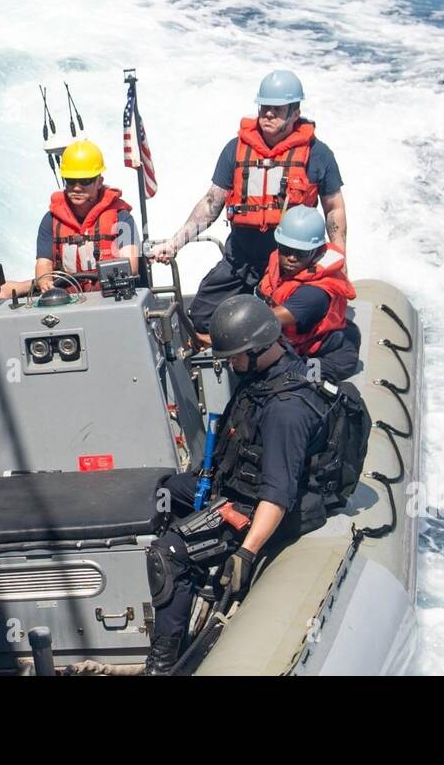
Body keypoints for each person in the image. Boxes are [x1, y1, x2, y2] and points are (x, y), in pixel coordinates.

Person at [141, 295, 334, 675]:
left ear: (260, 348)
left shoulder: (285, 409)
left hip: (256, 510)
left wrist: (245, 555)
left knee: (167, 555)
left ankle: (163, 663)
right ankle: (191, 584)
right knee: (165, 492)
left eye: (235, 356)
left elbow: (276, 495)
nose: (230, 363)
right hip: (233, 486)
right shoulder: (267, 373)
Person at [151, 70, 346, 345]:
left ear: (295, 113)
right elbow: (211, 203)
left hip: (289, 262)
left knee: (285, 326)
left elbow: (334, 209)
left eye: (277, 109)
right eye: (264, 107)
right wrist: (174, 244)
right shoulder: (235, 150)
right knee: (202, 316)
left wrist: (339, 259)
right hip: (241, 257)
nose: (268, 114)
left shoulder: (318, 154)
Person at [0, 140, 139, 297]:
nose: (77, 187)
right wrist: (44, 281)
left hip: (112, 298)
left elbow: (131, 266)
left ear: (99, 182)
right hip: (67, 302)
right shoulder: (50, 220)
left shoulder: (121, 217)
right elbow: (44, 262)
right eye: (70, 181)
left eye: (85, 181)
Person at [257, 205, 360, 383]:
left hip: (328, 355)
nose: (291, 258)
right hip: (297, 345)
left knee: (289, 377)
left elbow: (263, 319)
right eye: (287, 250)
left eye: (301, 253)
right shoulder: (282, 267)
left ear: (316, 253)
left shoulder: (313, 295)